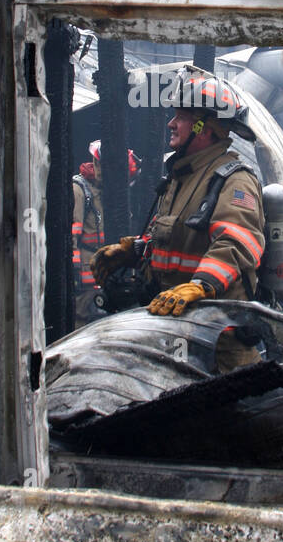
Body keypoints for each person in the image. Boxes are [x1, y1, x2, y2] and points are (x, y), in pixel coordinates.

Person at [91, 66, 266, 369]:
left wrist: (199, 285)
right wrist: (132, 250)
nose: (171, 123)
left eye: (181, 116)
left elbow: (237, 243)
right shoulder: (180, 177)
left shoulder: (235, 180)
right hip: (176, 331)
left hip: (220, 346)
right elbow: (174, 237)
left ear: (204, 127)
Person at [72, 140, 139, 326]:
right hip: (86, 279)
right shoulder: (79, 190)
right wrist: (75, 276)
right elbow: (71, 237)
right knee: (82, 323)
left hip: (105, 272)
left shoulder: (110, 194)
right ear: (97, 165)